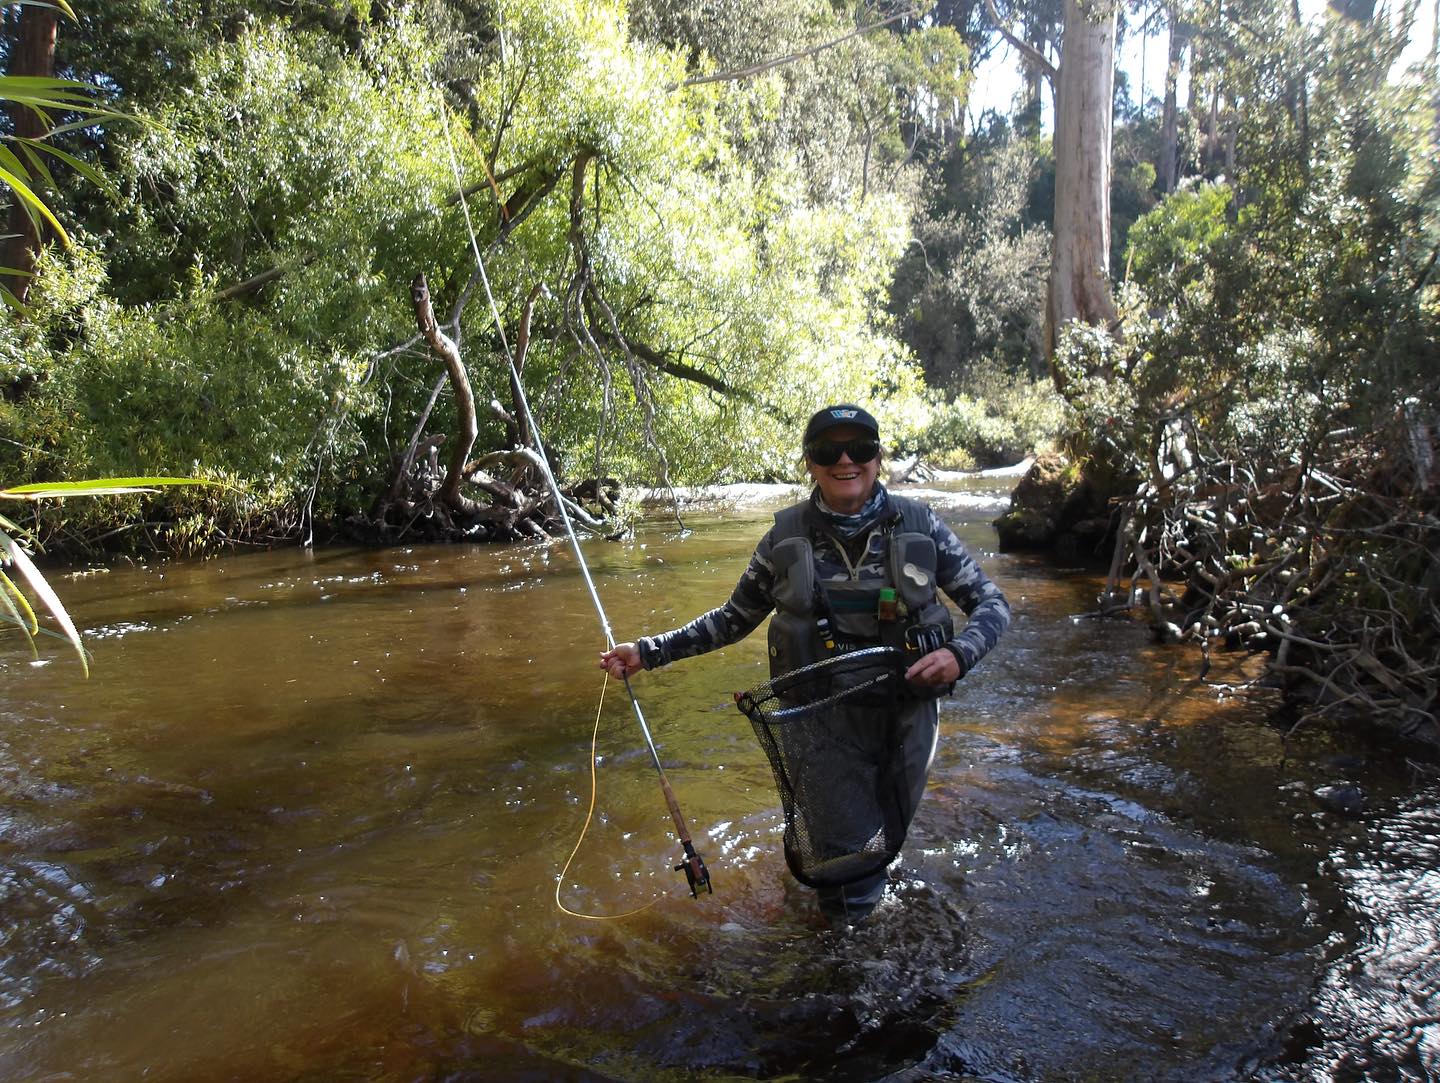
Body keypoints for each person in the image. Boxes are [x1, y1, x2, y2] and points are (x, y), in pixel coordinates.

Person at [600, 404, 1010, 925]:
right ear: (810, 464)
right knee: (847, 869)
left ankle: (849, 917)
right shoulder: (783, 539)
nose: (845, 460)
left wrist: (959, 654)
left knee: (885, 839)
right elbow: (733, 619)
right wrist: (649, 652)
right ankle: (846, 968)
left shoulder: (921, 523)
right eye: (827, 450)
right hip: (819, 723)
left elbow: (992, 605)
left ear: (878, 458)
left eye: (859, 448)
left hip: (907, 714)